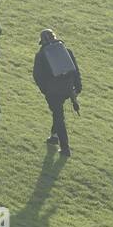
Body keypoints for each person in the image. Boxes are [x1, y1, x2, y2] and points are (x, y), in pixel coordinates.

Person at [32, 28, 81, 156]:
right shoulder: (66, 51)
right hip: (67, 89)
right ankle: (54, 136)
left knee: (59, 116)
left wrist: (45, 90)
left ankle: (65, 148)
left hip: (53, 92)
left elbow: (37, 76)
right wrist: (77, 87)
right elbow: (75, 70)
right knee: (57, 112)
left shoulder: (41, 55)